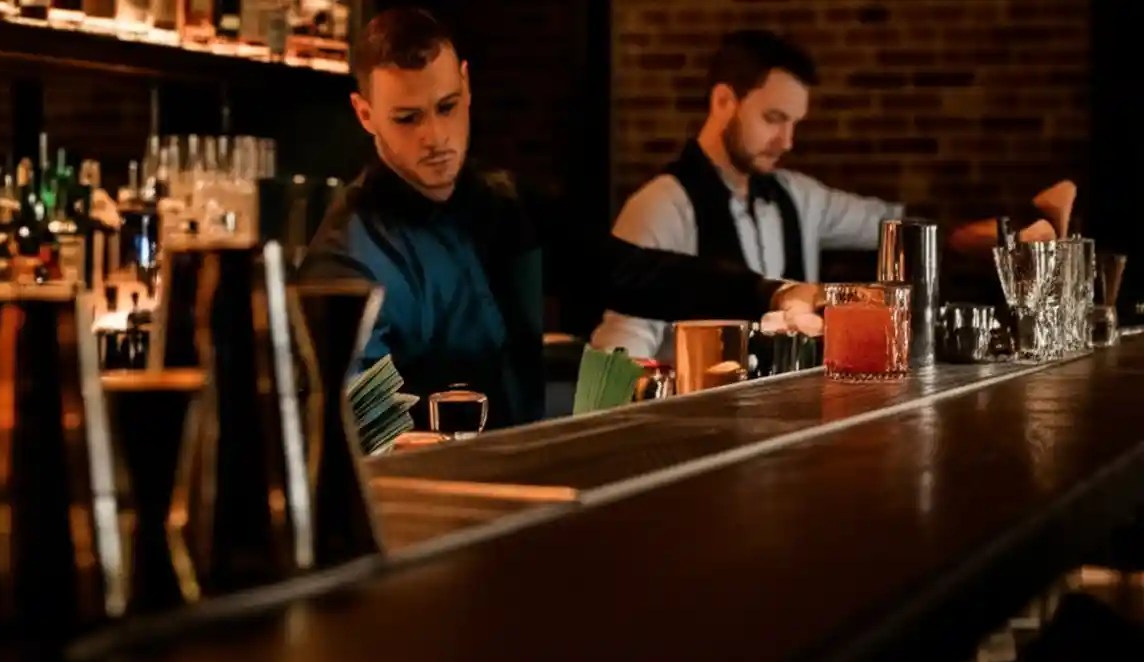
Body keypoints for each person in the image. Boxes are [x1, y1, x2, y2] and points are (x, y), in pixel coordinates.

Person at [299, 9, 821, 430]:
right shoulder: (348, 253)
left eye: (447, 106)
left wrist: (770, 294)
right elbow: (346, 417)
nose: (435, 136)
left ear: (466, 84)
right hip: (420, 508)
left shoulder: (505, 201)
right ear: (365, 114)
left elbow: (628, 272)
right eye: (407, 118)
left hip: (521, 490)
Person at [591, 30, 903, 361]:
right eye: (773, 119)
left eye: (794, 123)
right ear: (723, 101)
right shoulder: (662, 206)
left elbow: (888, 224)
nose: (786, 142)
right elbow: (623, 346)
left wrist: (953, 234)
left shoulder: (798, 195)